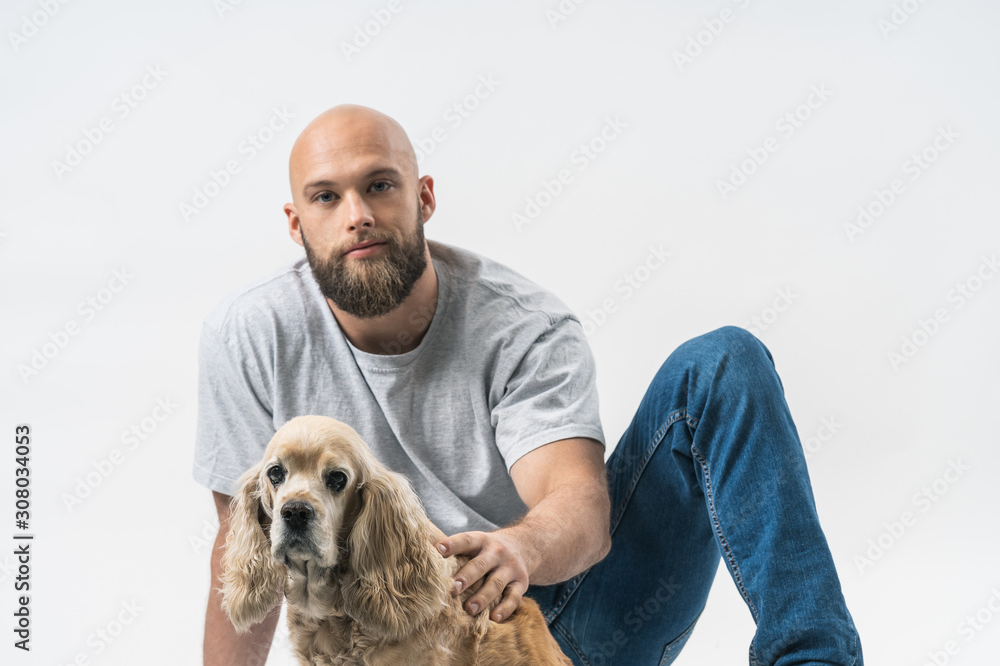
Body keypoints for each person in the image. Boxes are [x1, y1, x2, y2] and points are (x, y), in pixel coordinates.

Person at [194, 104, 863, 666]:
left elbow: (576, 501)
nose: (357, 214)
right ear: (294, 222)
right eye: (327, 196)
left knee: (722, 363)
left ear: (423, 195)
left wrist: (521, 547)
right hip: (401, 642)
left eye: (379, 186)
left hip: (566, 617)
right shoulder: (250, 336)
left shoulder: (521, 325)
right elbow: (245, 551)